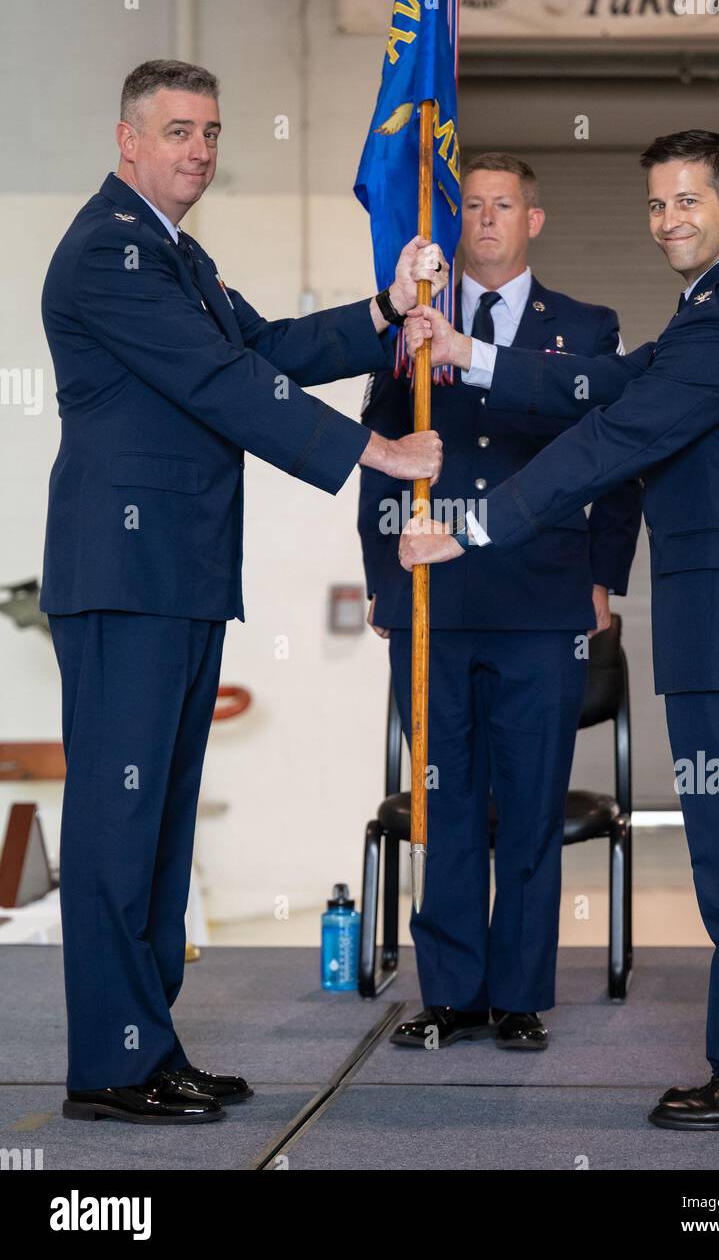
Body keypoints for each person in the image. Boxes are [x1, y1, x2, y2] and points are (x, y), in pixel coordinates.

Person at [400, 130, 719, 1130]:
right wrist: (472, 355)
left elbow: (611, 439)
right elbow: (601, 386)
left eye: (687, 200)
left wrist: (471, 523)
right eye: (653, 204)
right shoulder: (710, 311)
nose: (667, 219)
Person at [40, 58, 446, 1125]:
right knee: (118, 827)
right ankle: (110, 1067)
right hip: (125, 577)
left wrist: (383, 309)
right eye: (178, 131)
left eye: (211, 132)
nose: (200, 151)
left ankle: (147, 1044)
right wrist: (376, 450)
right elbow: (224, 383)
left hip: (175, 575)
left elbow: (263, 347)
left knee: (160, 828)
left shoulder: (180, 256)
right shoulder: (108, 252)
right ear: (127, 140)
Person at [358, 153, 642, 1051]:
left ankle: (518, 995)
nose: (484, 219)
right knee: (441, 802)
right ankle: (449, 993)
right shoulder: (412, 328)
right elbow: (380, 450)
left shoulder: (588, 329)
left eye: (502, 205)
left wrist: (603, 574)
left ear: (534, 221)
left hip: (542, 601)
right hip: (432, 597)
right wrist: (379, 577)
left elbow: (620, 456)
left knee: (528, 803)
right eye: (471, 205)